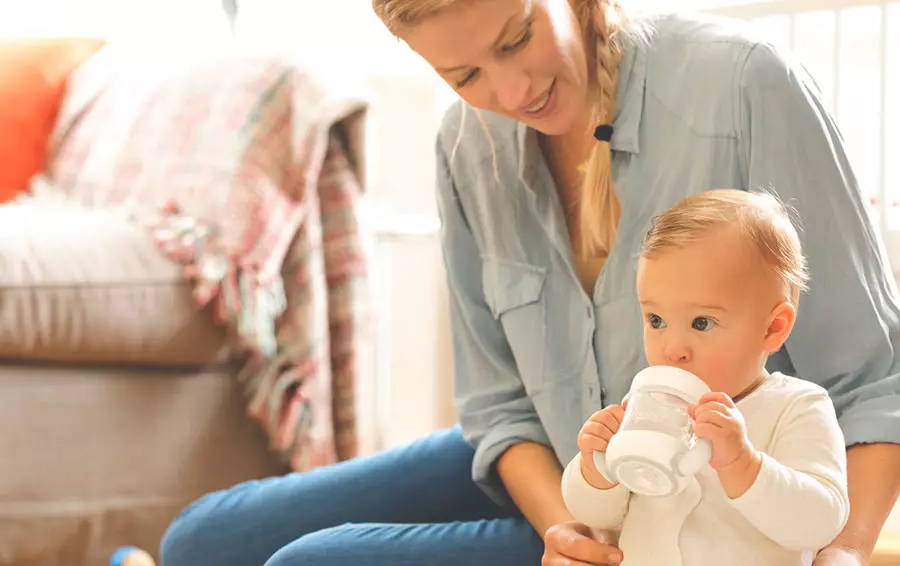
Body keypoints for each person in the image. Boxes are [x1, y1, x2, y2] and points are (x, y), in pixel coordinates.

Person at [158, 1, 900, 565]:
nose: (512, 92)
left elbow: (878, 380)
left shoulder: (744, 86)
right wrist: (566, 532)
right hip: (561, 468)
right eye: (464, 75)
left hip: (695, 509)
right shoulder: (463, 146)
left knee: (307, 562)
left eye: (516, 37)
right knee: (200, 541)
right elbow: (497, 405)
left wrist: (839, 550)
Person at [561, 189, 850, 565]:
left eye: (702, 323)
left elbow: (821, 520)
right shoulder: (647, 406)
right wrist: (596, 466)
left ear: (772, 329)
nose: (673, 348)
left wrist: (743, 464)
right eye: (656, 321)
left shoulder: (797, 407)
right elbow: (596, 514)